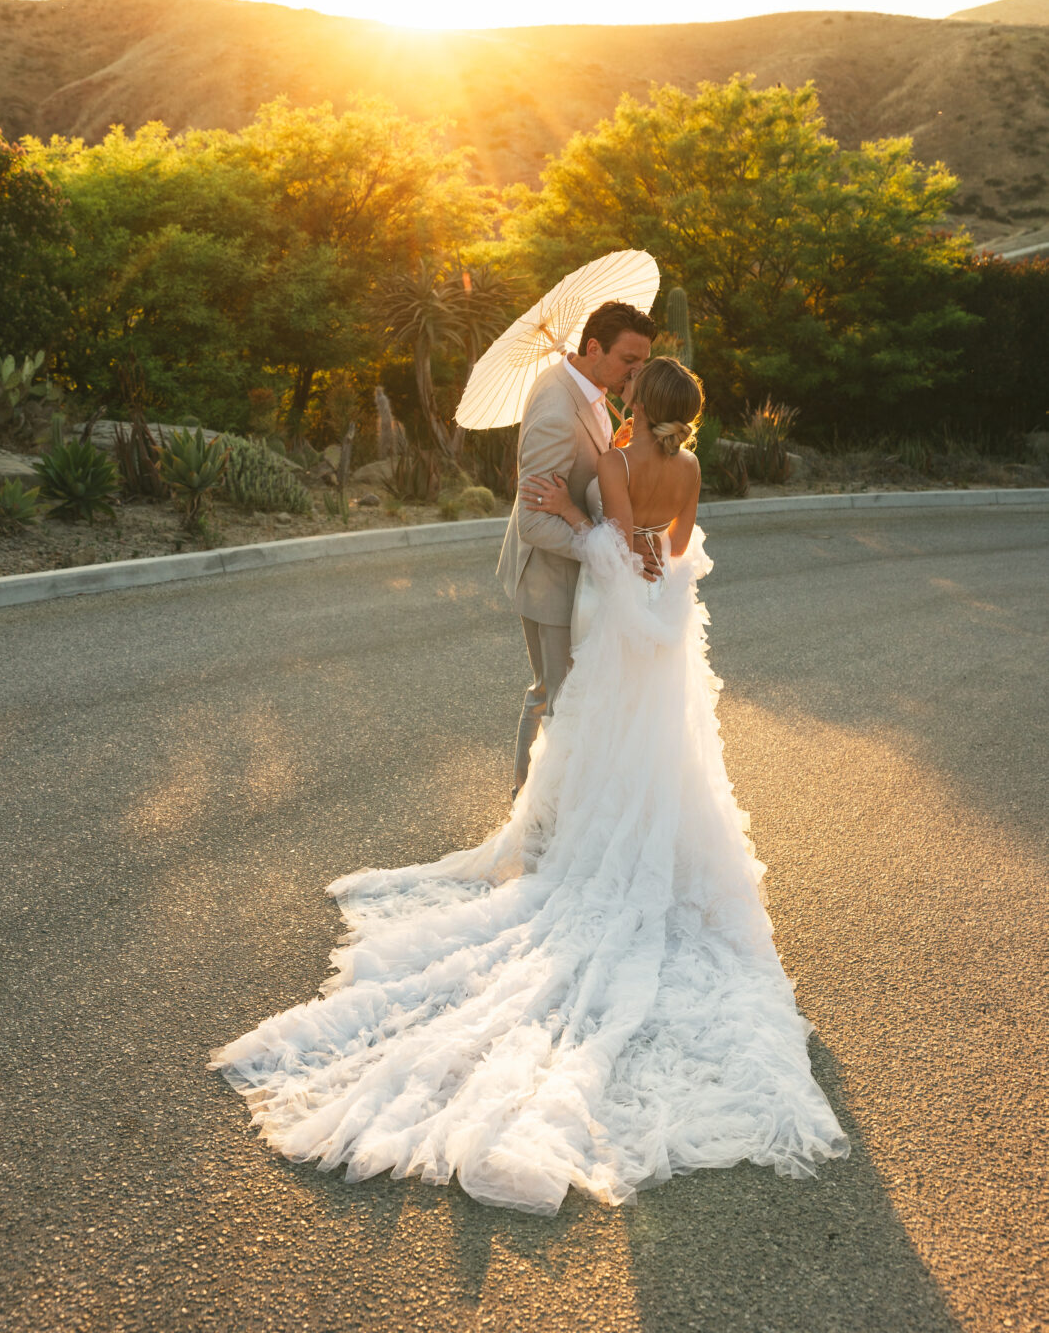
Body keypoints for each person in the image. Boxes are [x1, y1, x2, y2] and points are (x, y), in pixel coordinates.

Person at [207, 354, 850, 1216]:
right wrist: (647, 552)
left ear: (642, 403)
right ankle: (650, 854)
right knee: (661, 751)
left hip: (615, 623)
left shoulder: (617, 461)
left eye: (633, 388)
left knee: (596, 740)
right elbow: (673, 550)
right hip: (663, 632)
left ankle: (585, 849)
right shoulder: (691, 467)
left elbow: (611, 552)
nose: (624, 391)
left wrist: (569, 514)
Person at [496, 300, 655, 798]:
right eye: (629, 359)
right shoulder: (556, 411)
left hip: (578, 578)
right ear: (594, 348)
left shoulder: (590, 388)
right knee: (552, 696)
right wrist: (607, 547)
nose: (637, 371)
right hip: (550, 577)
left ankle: (562, 802)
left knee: (571, 696)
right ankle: (527, 808)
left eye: (644, 361)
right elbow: (534, 523)